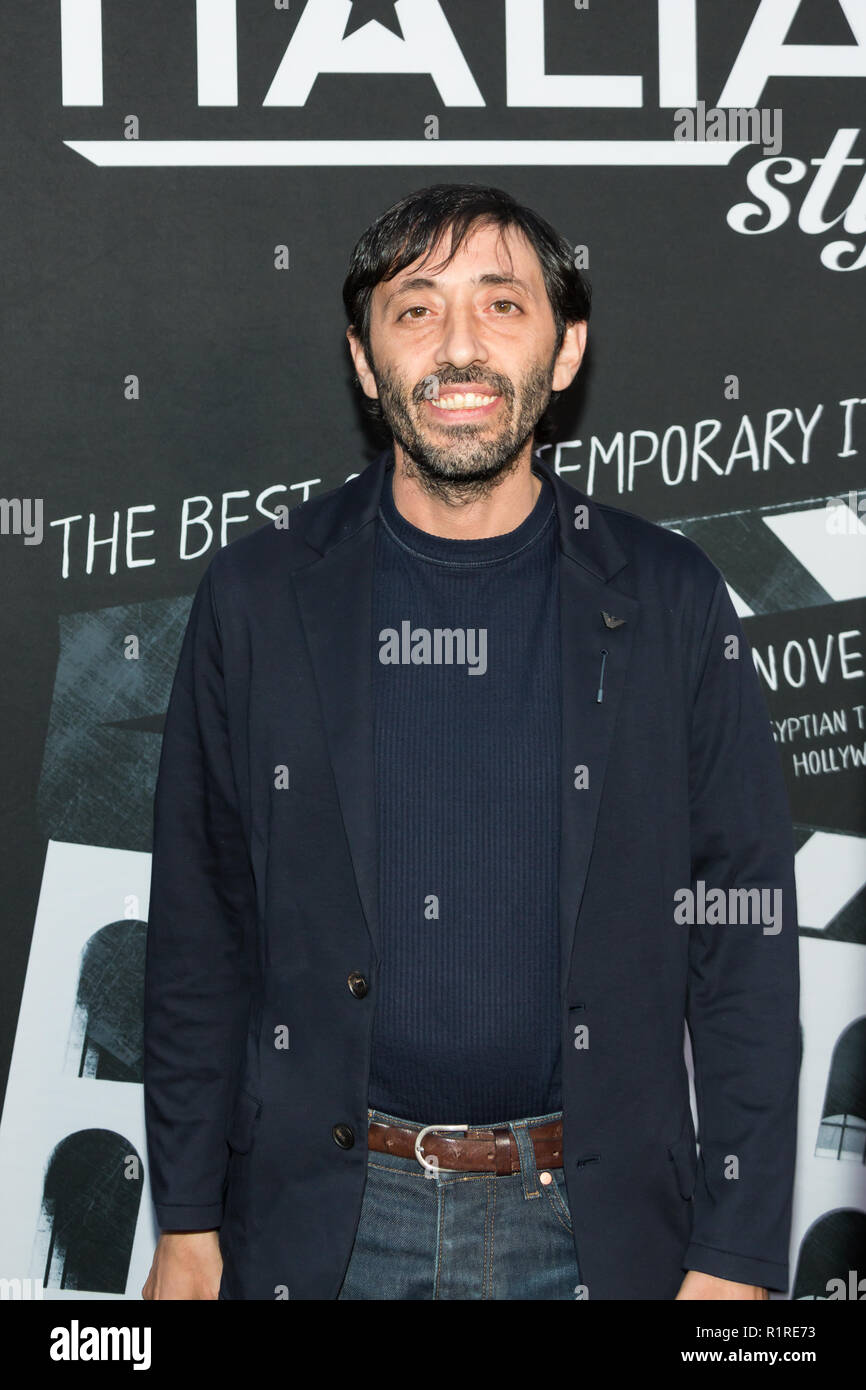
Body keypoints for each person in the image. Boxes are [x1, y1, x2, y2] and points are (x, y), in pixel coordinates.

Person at [142, 183, 800, 1301]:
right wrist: (188, 1222)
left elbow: (740, 942)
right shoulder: (256, 597)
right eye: (414, 310)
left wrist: (733, 1259)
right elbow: (201, 933)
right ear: (363, 358)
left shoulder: (671, 599)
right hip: (323, 1231)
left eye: (501, 305)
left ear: (564, 348)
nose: (459, 348)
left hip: (595, 1232)